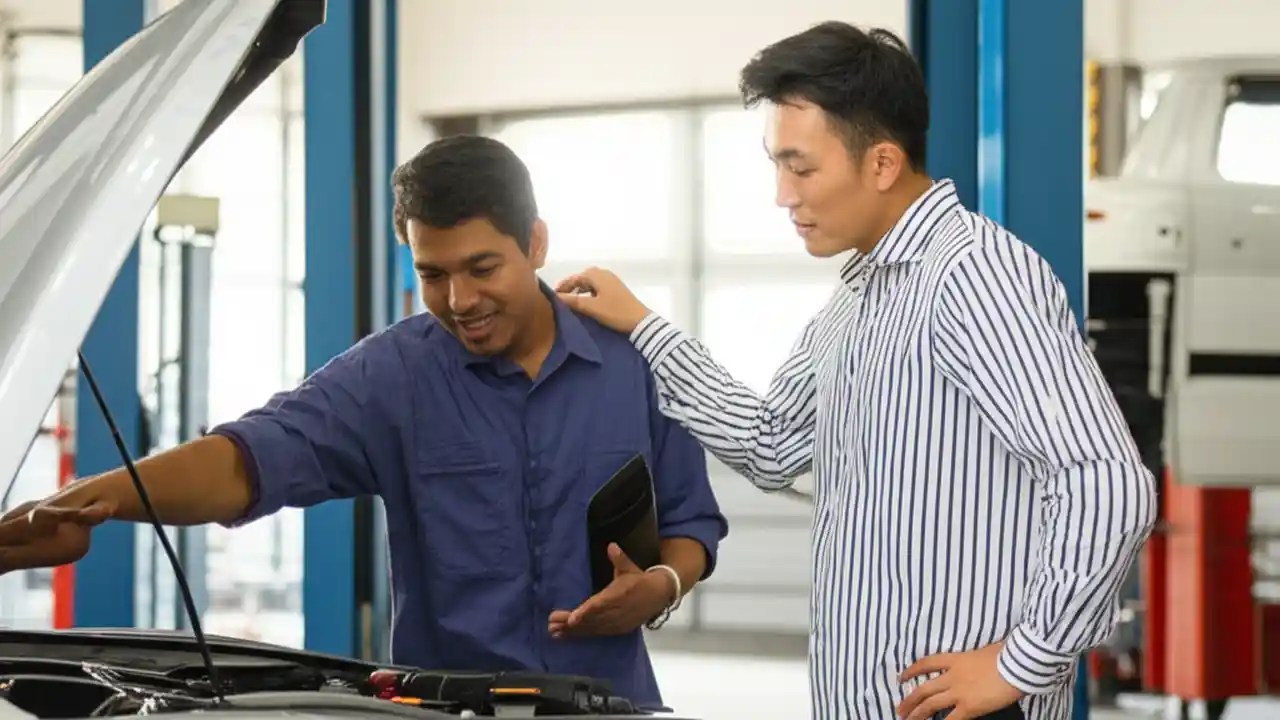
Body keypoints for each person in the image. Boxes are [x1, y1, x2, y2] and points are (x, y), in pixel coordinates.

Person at [556, 21, 1156, 720]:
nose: (783, 194)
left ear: (881, 163)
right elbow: (773, 442)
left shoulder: (973, 274)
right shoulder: (859, 295)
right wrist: (645, 328)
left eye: (801, 166)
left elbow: (1104, 480)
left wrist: (1022, 661)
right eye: (775, 165)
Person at [0, 134, 728, 710]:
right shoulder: (394, 375)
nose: (459, 299)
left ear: (535, 243)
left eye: (482, 267)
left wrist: (661, 584)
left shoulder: (635, 362)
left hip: (610, 704)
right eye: (433, 273)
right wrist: (102, 497)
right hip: (444, 707)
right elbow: (248, 457)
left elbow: (693, 523)